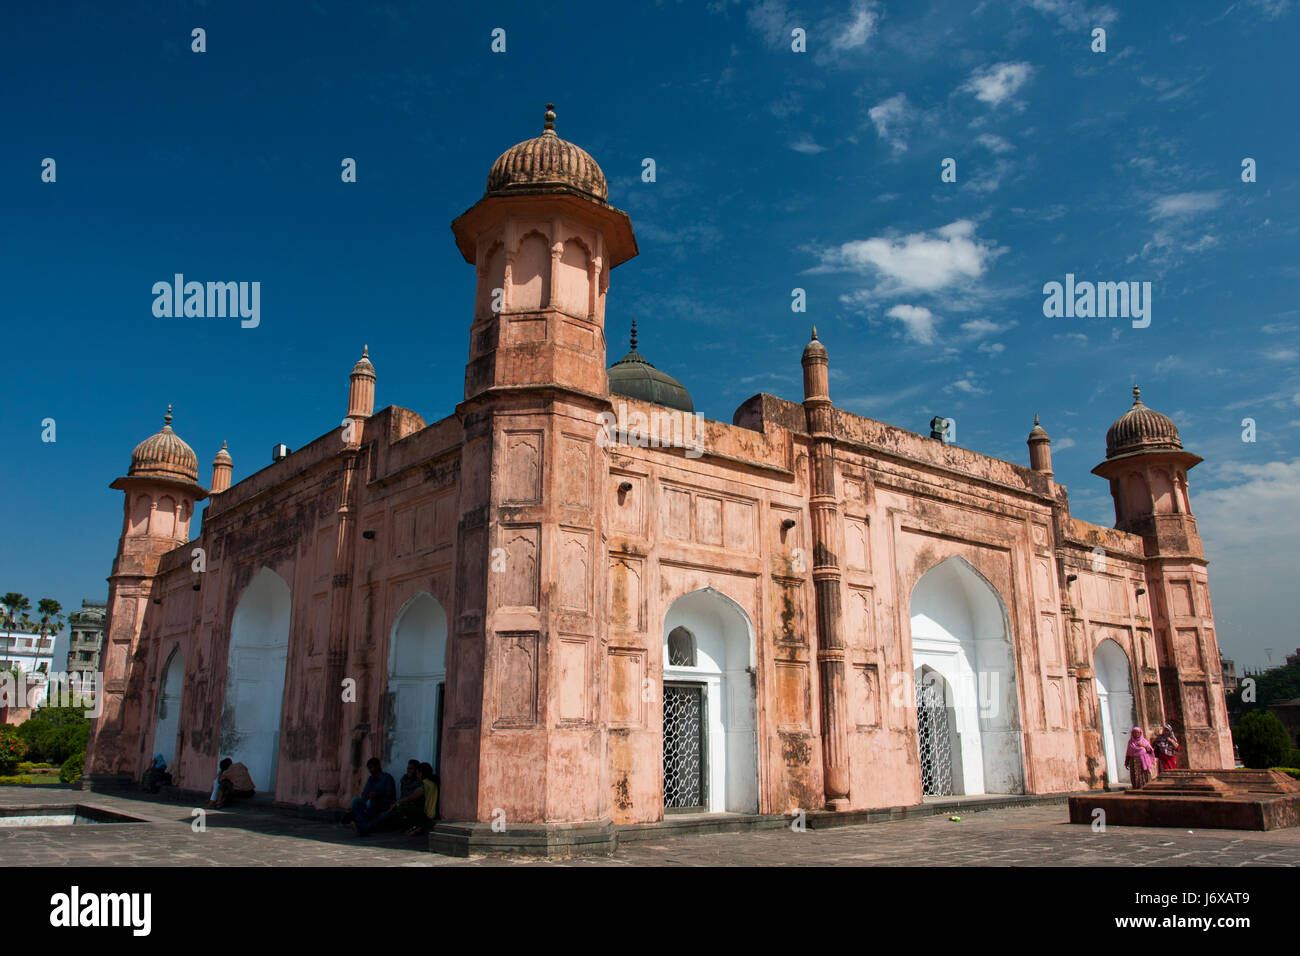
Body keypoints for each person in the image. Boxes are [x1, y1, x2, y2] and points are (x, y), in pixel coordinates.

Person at [355, 762, 438, 837]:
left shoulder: (424, 784)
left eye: (414, 771)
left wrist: (397, 803)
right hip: (415, 809)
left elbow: (412, 797)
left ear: (420, 773)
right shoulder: (429, 783)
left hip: (420, 811)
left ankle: (364, 827)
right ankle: (365, 826)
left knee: (386, 815)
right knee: (379, 811)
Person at [342, 758, 396, 828]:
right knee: (355, 801)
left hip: (386, 802)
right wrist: (368, 796)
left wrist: (377, 795)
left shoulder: (387, 778)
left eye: (371, 767)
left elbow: (390, 794)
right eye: (369, 768)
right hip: (372, 801)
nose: (370, 770)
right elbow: (364, 795)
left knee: (370, 802)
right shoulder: (371, 779)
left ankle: (366, 825)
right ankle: (365, 822)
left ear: (377, 766)